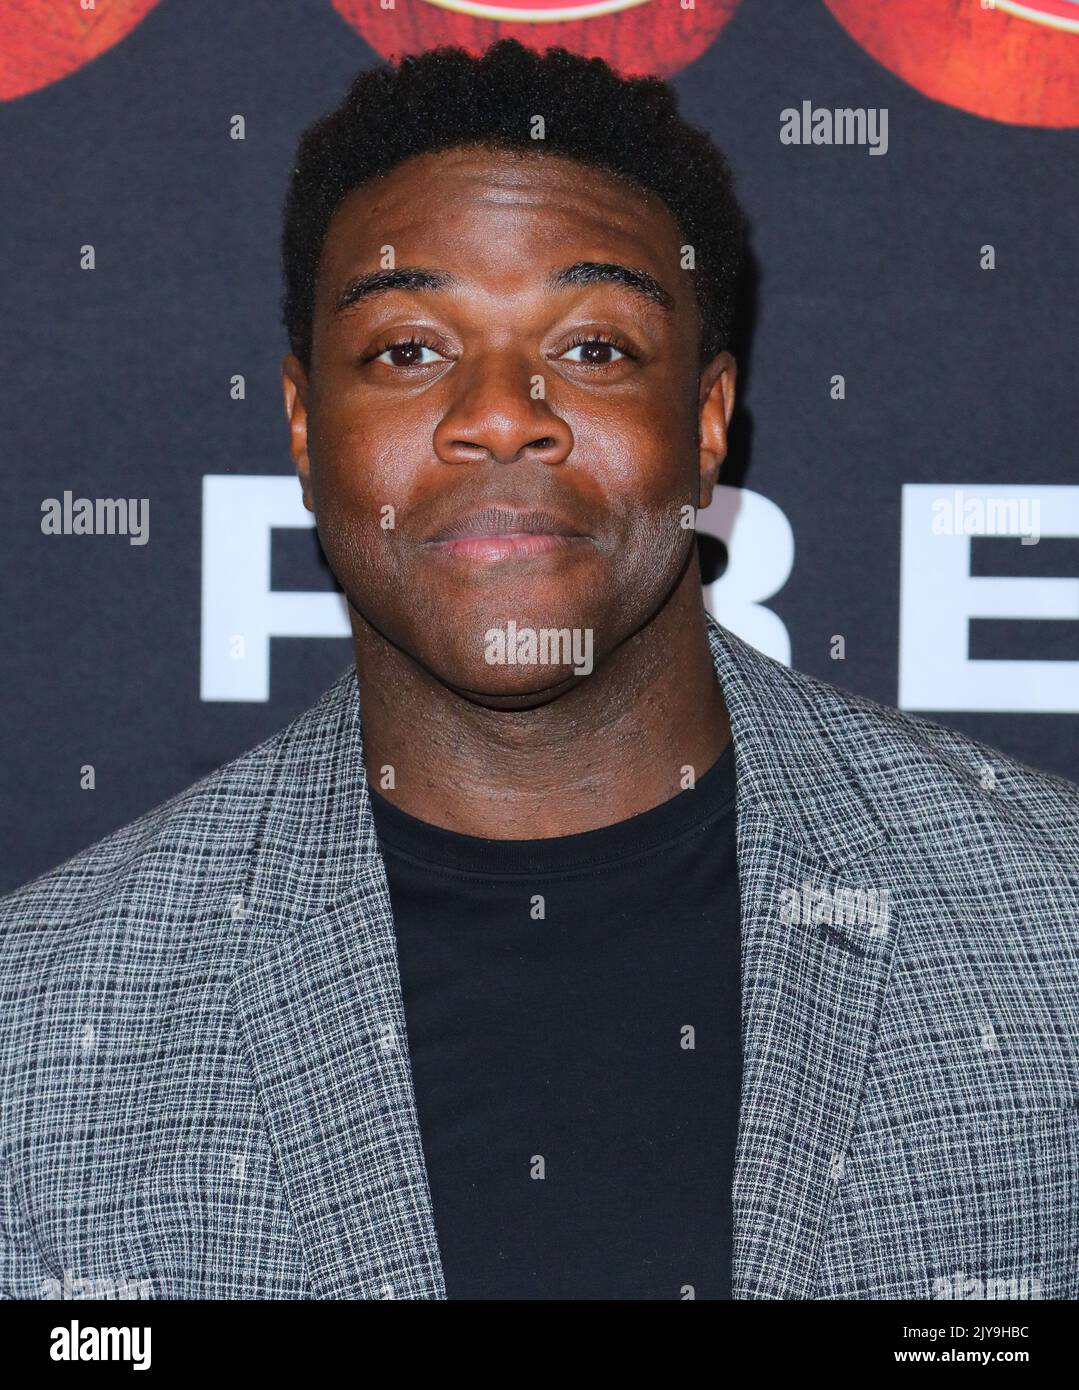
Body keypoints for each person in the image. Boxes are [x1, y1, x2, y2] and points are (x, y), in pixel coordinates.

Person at [1, 39, 1076, 1302]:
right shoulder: (46, 1029)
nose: (503, 411)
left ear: (707, 419)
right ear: (302, 425)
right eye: (408, 349)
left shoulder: (1047, 931)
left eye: (595, 347)